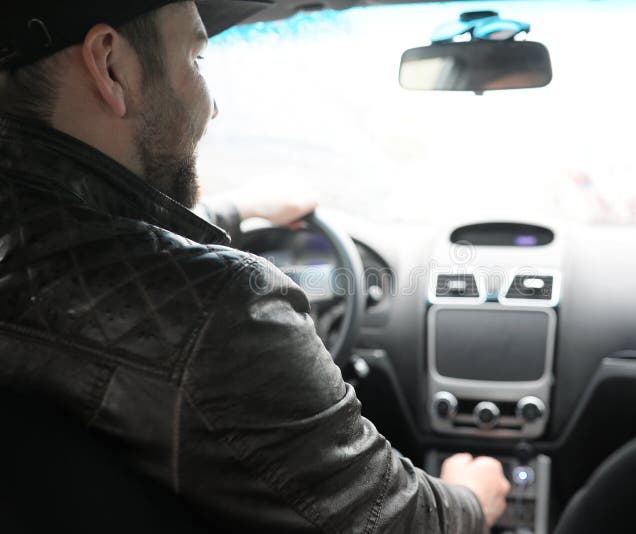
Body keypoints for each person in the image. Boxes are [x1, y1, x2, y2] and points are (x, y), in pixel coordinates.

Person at [0, 1, 511, 532]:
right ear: (111, 66)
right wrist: (475, 498)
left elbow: (82, 242)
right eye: (196, 59)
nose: (213, 107)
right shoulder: (219, 310)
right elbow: (390, 520)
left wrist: (238, 208)